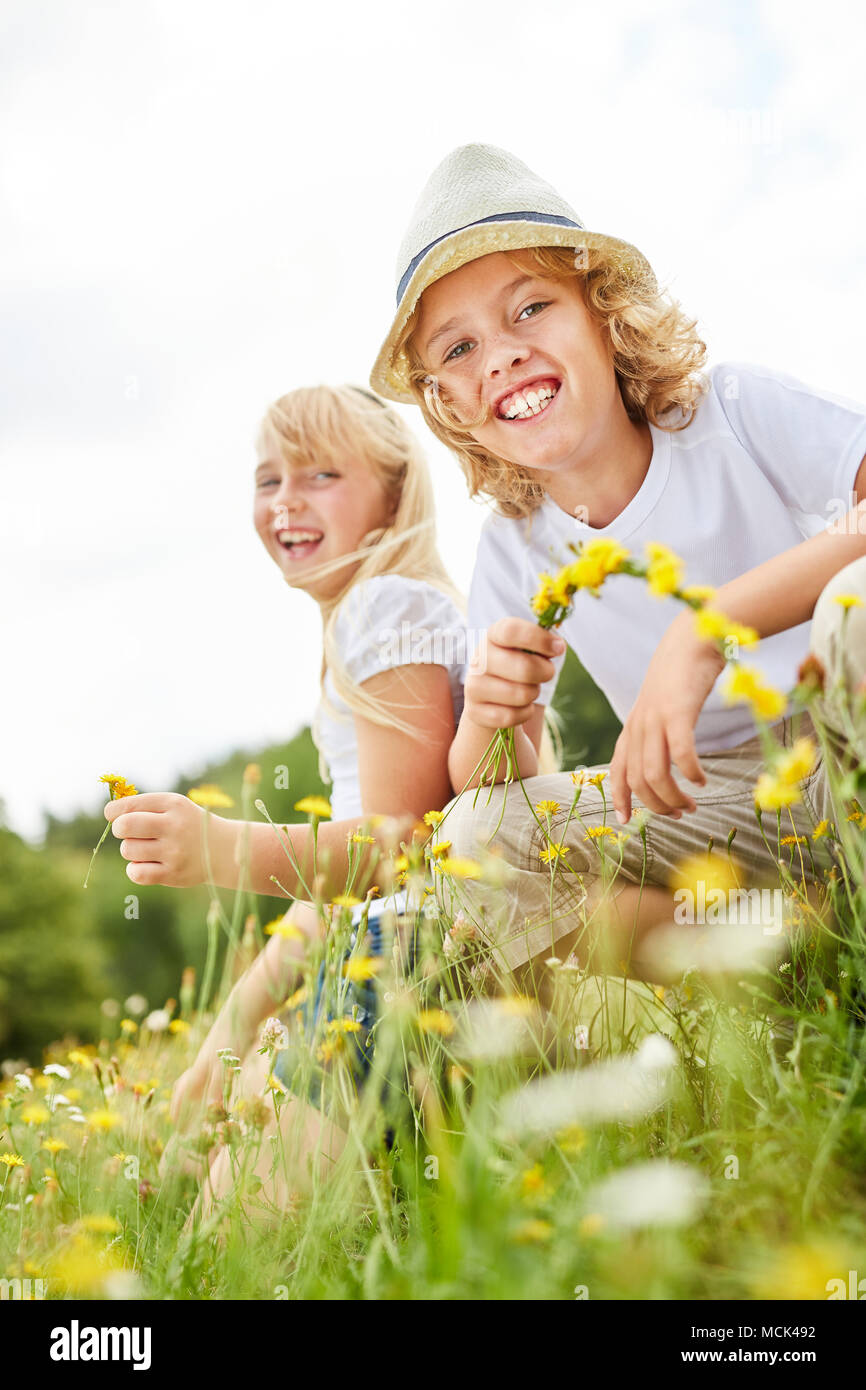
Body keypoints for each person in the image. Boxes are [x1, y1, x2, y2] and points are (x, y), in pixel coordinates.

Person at [367, 142, 866, 993]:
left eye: (530, 308)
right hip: (717, 811)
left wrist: (703, 635)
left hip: (842, 736)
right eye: (457, 350)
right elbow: (502, 789)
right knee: (475, 841)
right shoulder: (516, 546)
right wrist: (492, 719)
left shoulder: (732, 414)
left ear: (605, 312)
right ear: (451, 408)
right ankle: (799, 957)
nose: (499, 356)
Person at [106, 384, 469, 1215]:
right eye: (268, 480)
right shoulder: (372, 614)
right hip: (390, 956)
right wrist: (229, 1032)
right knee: (211, 1193)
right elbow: (339, 895)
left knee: (229, 1241)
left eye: (320, 476)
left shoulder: (388, 606)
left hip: (403, 967)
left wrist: (222, 850)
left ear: (391, 492)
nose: (285, 502)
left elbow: (398, 848)